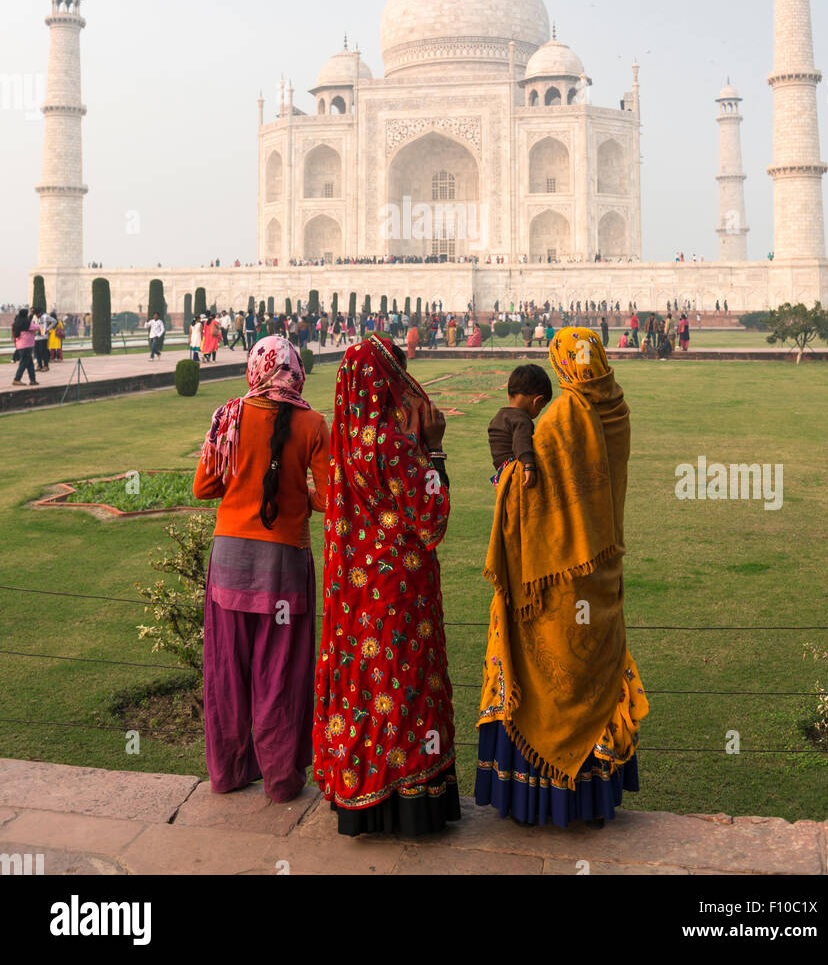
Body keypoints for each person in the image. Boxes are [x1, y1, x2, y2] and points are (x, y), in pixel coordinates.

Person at [474, 327, 648, 827]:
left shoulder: (564, 420)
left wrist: (505, 471)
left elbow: (521, 490)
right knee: (594, 676)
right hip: (602, 570)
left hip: (555, 579)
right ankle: (591, 797)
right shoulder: (614, 407)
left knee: (554, 681)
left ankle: (543, 800)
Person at [313, 335, 458, 836]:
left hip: (356, 594)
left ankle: (361, 795)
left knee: (364, 686)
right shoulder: (392, 445)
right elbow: (432, 519)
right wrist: (435, 452)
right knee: (406, 689)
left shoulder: (346, 442)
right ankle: (412, 800)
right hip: (400, 593)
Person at [193, 337, 329, 802]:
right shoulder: (313, 423)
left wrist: (243, 482)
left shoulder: (229, 414)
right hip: (284, 566)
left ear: (255, 369)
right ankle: (281, 780)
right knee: (281, 674)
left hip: (230, 562)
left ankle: (228, 773)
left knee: (228, 671)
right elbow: (331, 499)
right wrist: (300, 496)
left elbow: (204, 487)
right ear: (295, 371)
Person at [487, 363, 552, 489]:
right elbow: (521, 443)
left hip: (501, 473)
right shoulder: (522, 420)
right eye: (541, 407)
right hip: (516, 471)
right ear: (537, 400)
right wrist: (529, 466)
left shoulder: (499, 415)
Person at [11, 307, 38, 386]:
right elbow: (36, 327)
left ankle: (32, 380)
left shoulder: (17, 322)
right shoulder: (26, 323)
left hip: (20, 346)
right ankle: (17, 379)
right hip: (27, 345)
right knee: (23, 363)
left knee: (30, 364)